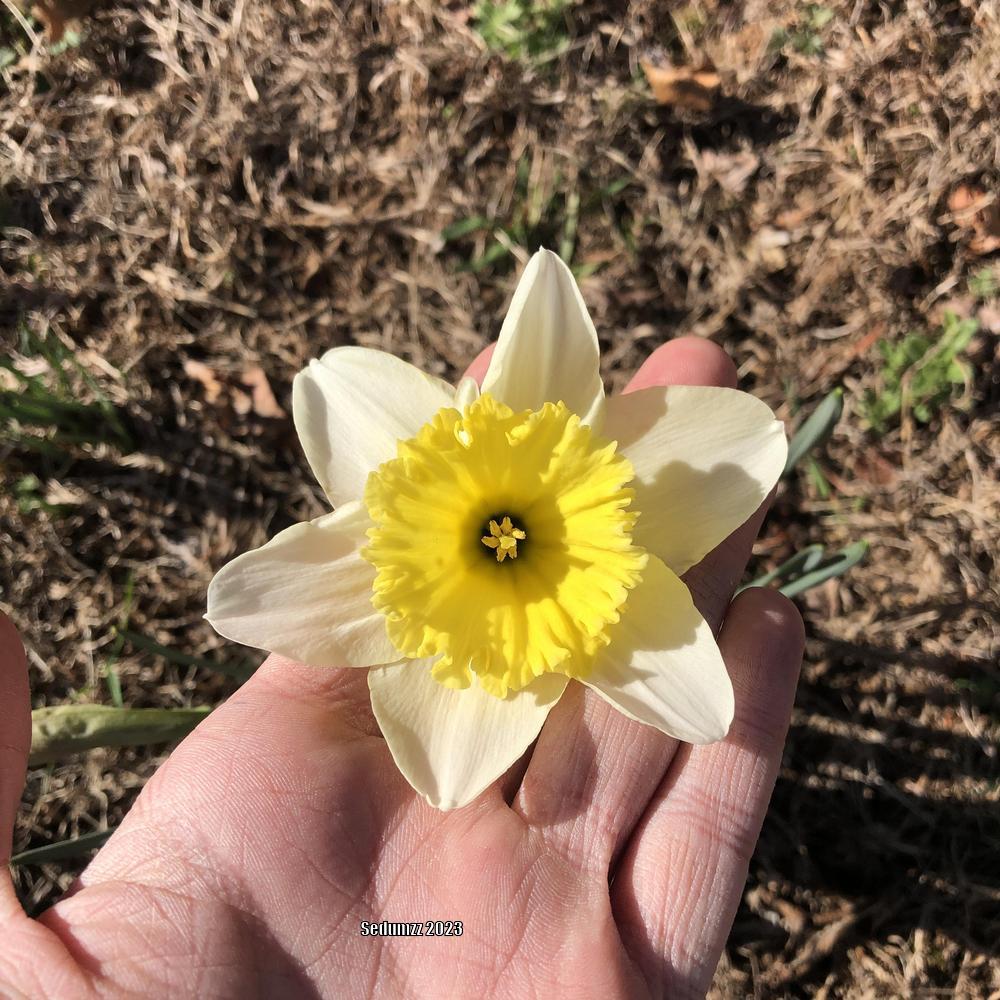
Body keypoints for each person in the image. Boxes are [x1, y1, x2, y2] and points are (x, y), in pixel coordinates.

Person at [0, 337, 803, 998]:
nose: (504, 541)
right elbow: (448, 763)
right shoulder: (400, 556)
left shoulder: (607, 561)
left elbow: (738, 448)